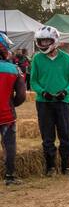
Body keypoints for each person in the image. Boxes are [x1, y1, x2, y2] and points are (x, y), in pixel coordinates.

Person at [29, 26, 69, 177]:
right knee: (47, 135)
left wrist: (66, 91)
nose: (43, 43)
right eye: (41, 41)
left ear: (55, 40)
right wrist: (43, 92)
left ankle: (66, 166)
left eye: (46, 40)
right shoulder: (37, 58)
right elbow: (33, 81)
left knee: (65, 134)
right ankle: (50, 167)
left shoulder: (66, 59)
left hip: (63, 102)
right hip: (44, 102)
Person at [0, 32, 28, 186]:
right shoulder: (14, 69)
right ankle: (10, 176)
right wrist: (12, 104)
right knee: (9, 144)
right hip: (6, 114)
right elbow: (22, 95)